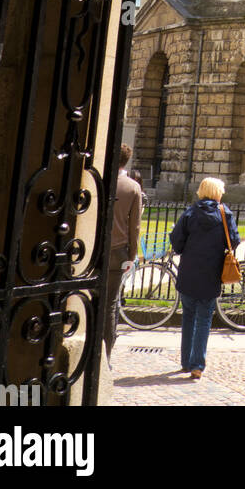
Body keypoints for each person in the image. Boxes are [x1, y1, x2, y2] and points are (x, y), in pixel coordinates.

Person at [170, 177, 240, 379]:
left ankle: (185, 361)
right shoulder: (224, 213)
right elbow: (234, 241)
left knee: (188, 317)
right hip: (211, 273)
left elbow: (177, 242)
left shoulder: (190, 212)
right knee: (203, 320)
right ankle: (197, 365)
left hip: (189, 272)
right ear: (217, 192)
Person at [104, 143, 142, 366]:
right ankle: (105, 356)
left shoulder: (99, 181)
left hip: (92, 252)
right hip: (118, 252)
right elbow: (134, 227)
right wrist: (132, 255)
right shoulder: (132, 187)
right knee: (110, 304)